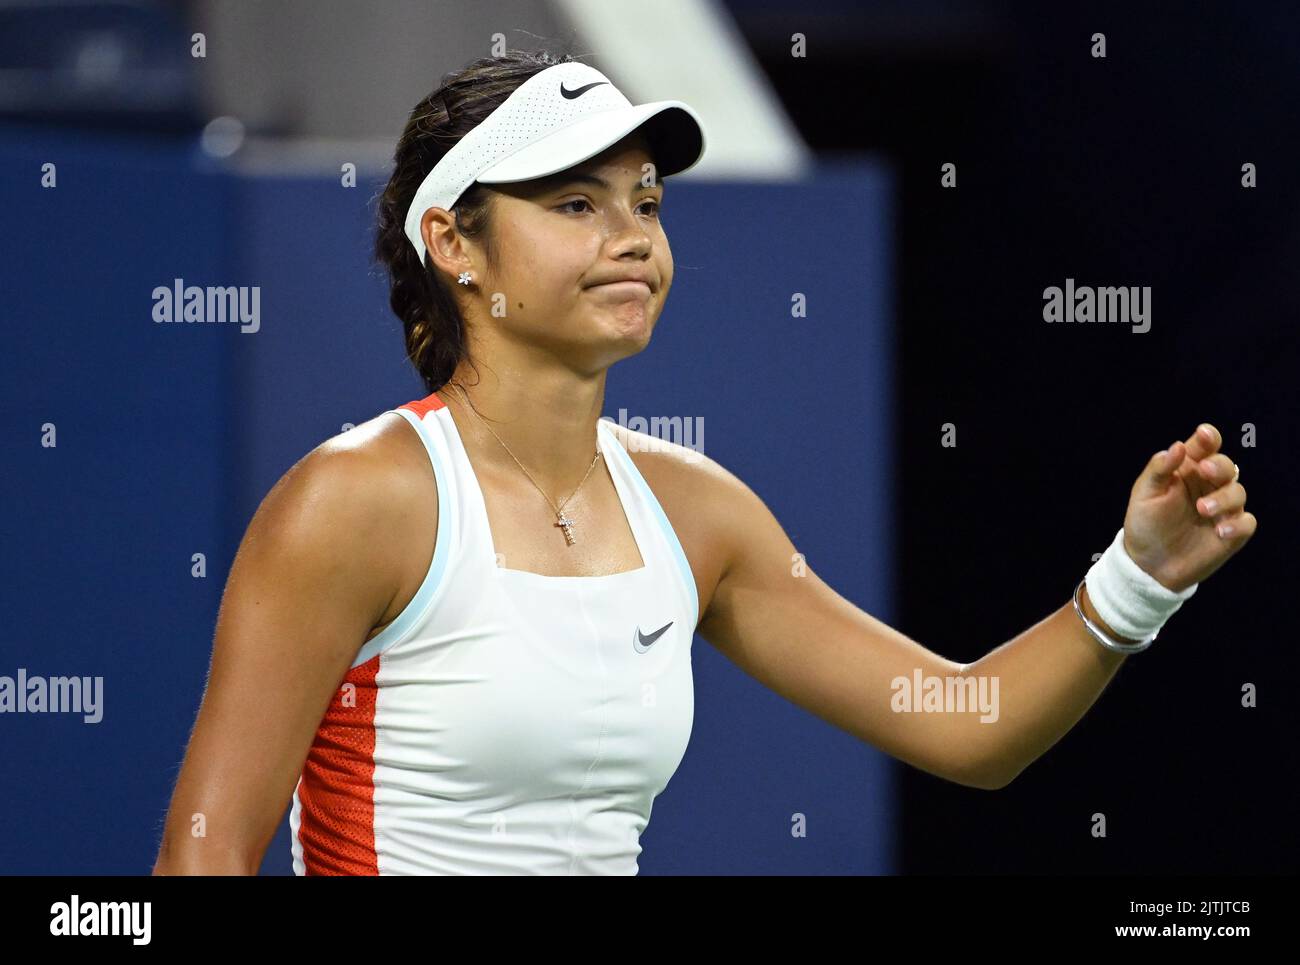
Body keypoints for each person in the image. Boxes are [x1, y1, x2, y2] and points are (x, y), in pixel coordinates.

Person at [152, 50, 1257, 876]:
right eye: (575, 204)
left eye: (645, 202)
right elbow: (200, 857)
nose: (630, 234)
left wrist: (1137, 576)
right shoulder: (353, 501)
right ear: (453, 242)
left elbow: (964, 725)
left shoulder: (697, 511)